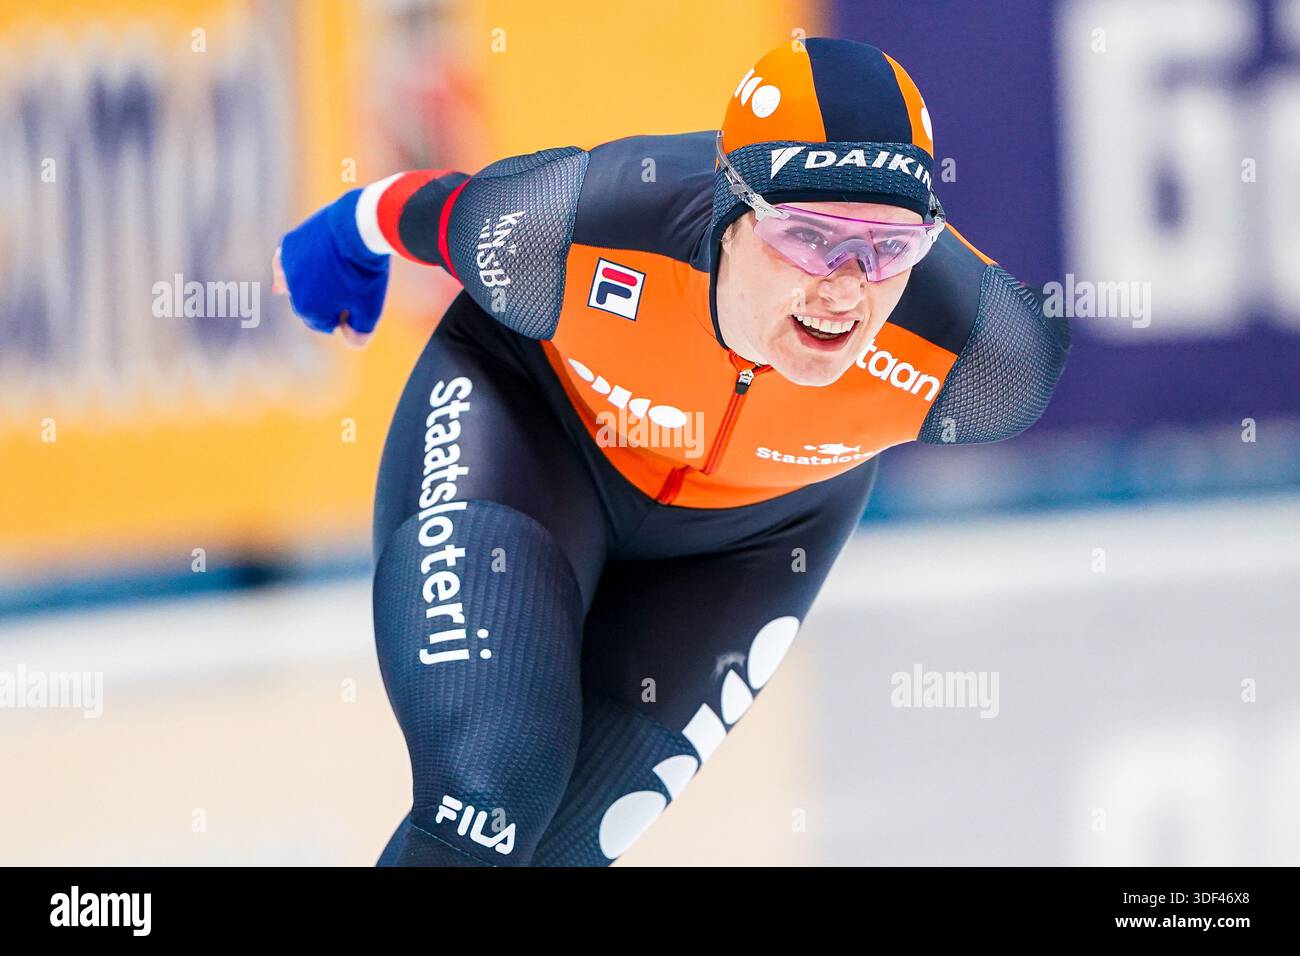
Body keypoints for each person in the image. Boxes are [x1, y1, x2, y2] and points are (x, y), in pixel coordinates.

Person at [273, 37, 1070, 866]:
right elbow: (443, 209)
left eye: (889, 248)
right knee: (490, 792)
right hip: (529, 443)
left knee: (555, 855)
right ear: (732, 208)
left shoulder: (986, 361)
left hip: (749, 542)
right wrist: (351, 230)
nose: (845, 285)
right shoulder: (571, 226)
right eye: (807, 237)